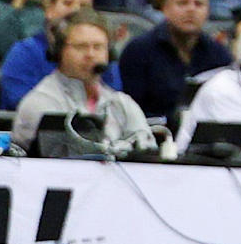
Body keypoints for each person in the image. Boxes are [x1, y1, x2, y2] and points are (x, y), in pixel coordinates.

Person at [14, 13, 154, 151]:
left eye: (98, 47)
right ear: (59, 52)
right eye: (81, 47)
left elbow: (148, 153)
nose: (90, 55)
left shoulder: (121, 104)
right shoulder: (40, 103)